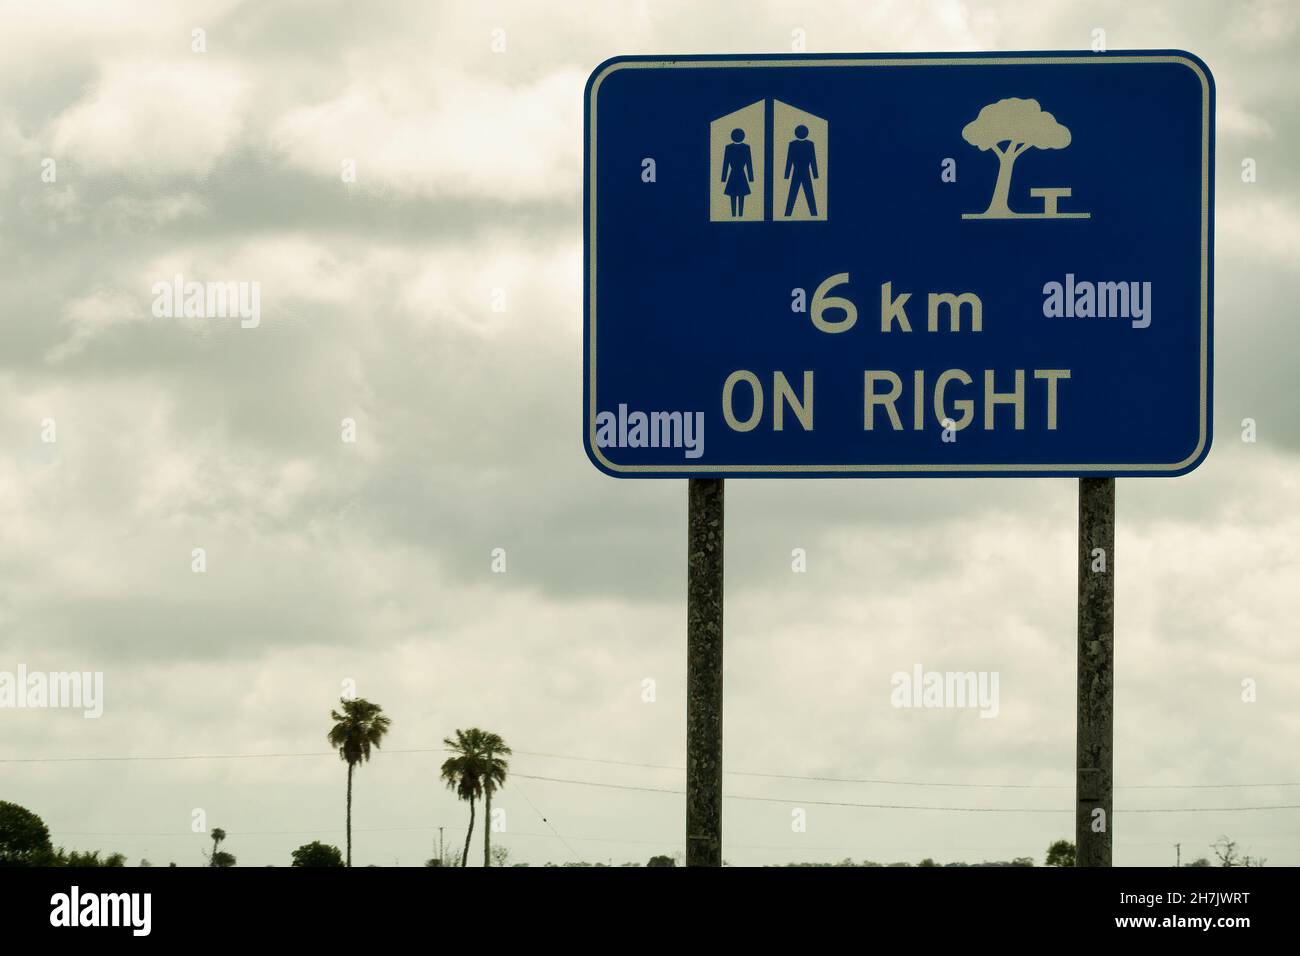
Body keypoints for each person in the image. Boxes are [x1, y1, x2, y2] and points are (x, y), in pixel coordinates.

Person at [783, 124, 819, 217]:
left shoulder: (794, 144)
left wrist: (815, 174)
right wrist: (815, 174)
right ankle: (788, 214)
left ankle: (813, 213)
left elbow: (812, 159)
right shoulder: (807, 144)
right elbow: (789, 160)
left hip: (799, 172)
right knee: (796, 193)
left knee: (805, 193)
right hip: (802, 172)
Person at [721, 128, 753, 217]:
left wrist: (751, 177)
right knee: (736, 194)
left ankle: (738, 215)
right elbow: (726, 163)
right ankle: (735, 214)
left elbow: (748, 163)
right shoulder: (744, 147)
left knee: (737, 194)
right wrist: (750, 178)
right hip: (739, 174)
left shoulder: (743, 147)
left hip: (735, 174)